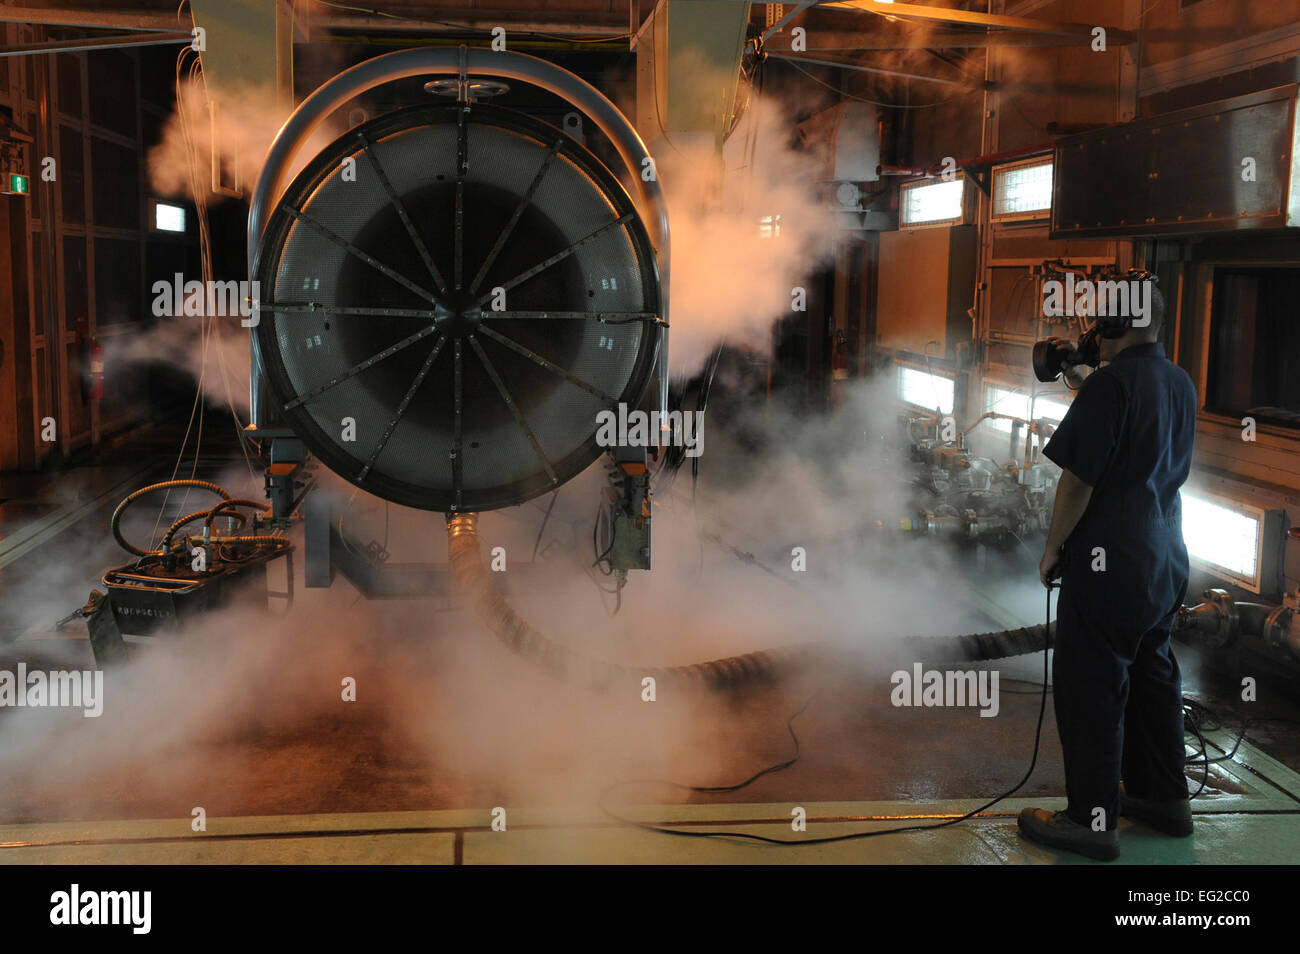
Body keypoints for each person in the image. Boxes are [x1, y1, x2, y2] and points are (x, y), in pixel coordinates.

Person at [1017, 280, 1198, 861]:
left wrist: (1052, 550)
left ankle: (1091, 821)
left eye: (1099, 320)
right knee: (1153, 678)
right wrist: (1087, 388)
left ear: (1118, 323)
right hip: (1164, 558)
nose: (1091, 330)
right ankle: (1164, 800)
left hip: (1110, 566)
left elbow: (1079, 479)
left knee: (1092, 686)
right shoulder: (1179, 382)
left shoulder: (1112, 387)